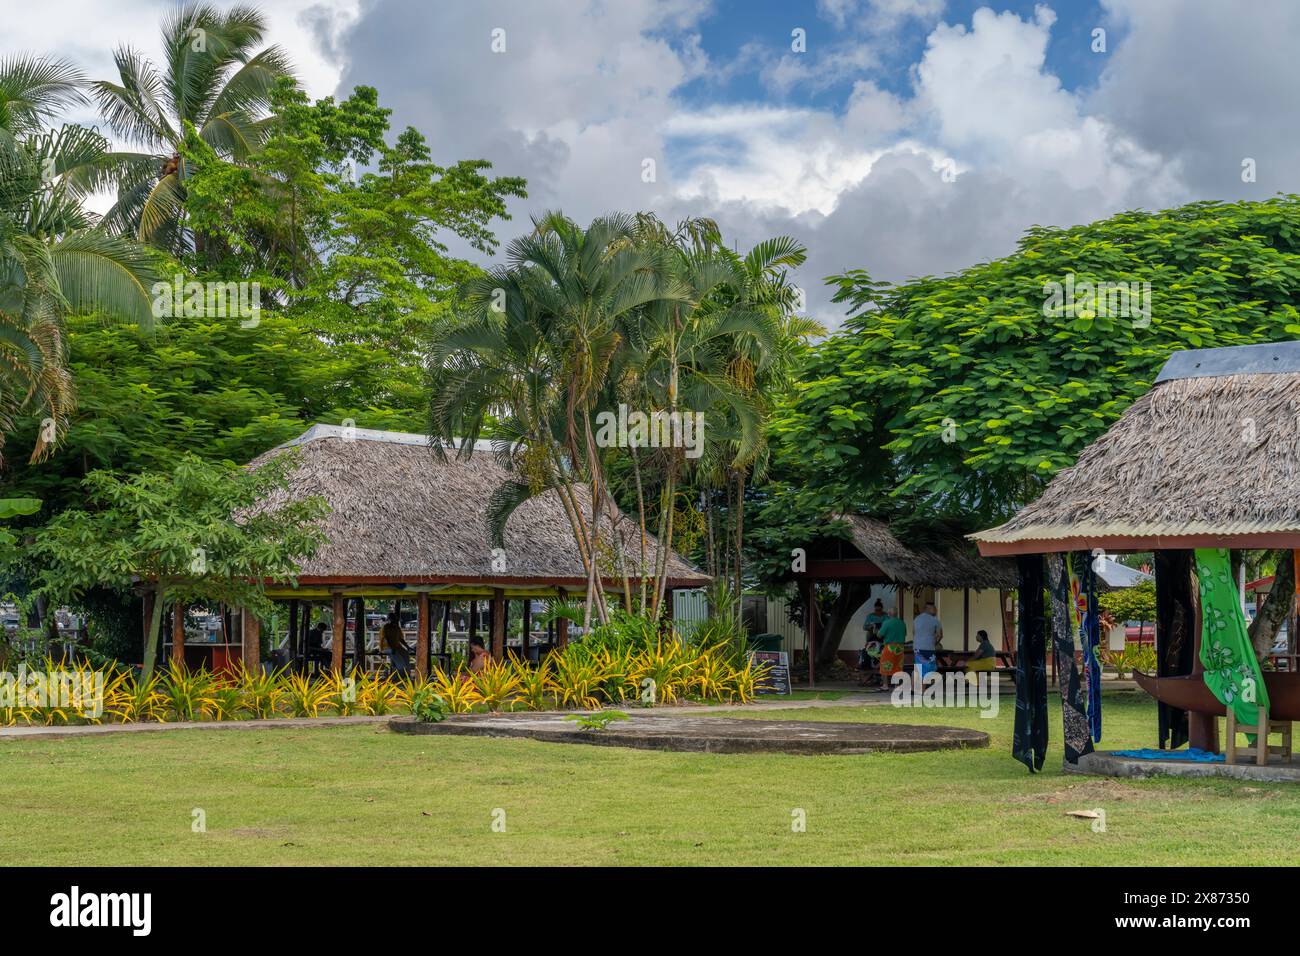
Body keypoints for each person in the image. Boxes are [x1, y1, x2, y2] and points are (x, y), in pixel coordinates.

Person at [876, 605, 908, 687]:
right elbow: (905, 634)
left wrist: (875, 630)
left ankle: (885, 685)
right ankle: (896, 685)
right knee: (897, 666)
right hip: (900, 648)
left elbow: (879, 635)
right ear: (896, 614)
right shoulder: (902, 623)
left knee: (885, 665)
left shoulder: (886, 623)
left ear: (889, 614)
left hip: (890, 647)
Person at [912, 601, 943, 679]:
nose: (936, 610)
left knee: (919, 668)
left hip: (917, 647)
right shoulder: (935, 620)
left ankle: (914, 688)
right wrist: (935, 643)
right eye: (934, 608)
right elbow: (940, 635)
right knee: (929, 668)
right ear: (928, 608)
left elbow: (914, 632)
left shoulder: (916, 619)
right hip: (929, 647)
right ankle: (923, 688)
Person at [859, 599, 888, 671]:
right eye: (876, 610)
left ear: (882, 609)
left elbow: (889, 626)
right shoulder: (870, 616)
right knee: (870, 651)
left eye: (879, 610)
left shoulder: (885, 616)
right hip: (872, 637)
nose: (878, 612)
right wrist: (871, 626)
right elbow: (864, 627)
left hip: (882, 636)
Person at [380, 610, 410, 675]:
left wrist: (408, 647)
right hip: (386, 647)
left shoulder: (397, 628)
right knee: (397, 656)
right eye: (392, 619)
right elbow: (386, 639)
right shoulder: (386, 627)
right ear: (389, 620)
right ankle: (400, 673)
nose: (393, 621)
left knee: (405, 653)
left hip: (396, 647)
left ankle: (407, 672)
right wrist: (392, 648)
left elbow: (400, 639)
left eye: (394, 619)